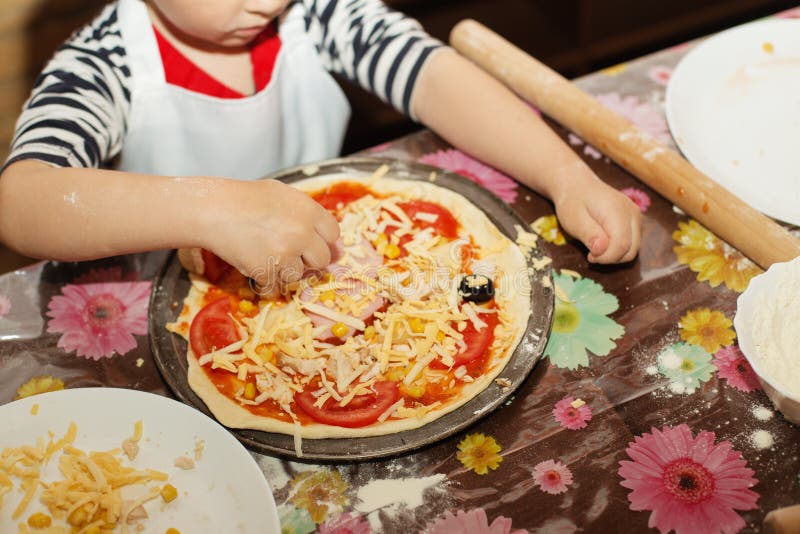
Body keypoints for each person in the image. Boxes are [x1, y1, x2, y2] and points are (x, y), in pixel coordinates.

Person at [0, 0, 641, 291]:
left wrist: (566, 176)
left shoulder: (316, 14)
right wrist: (211, 209)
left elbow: (432, 75)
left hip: (338, 273)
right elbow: (22, 203)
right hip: (169, 307)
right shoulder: (106, 63)